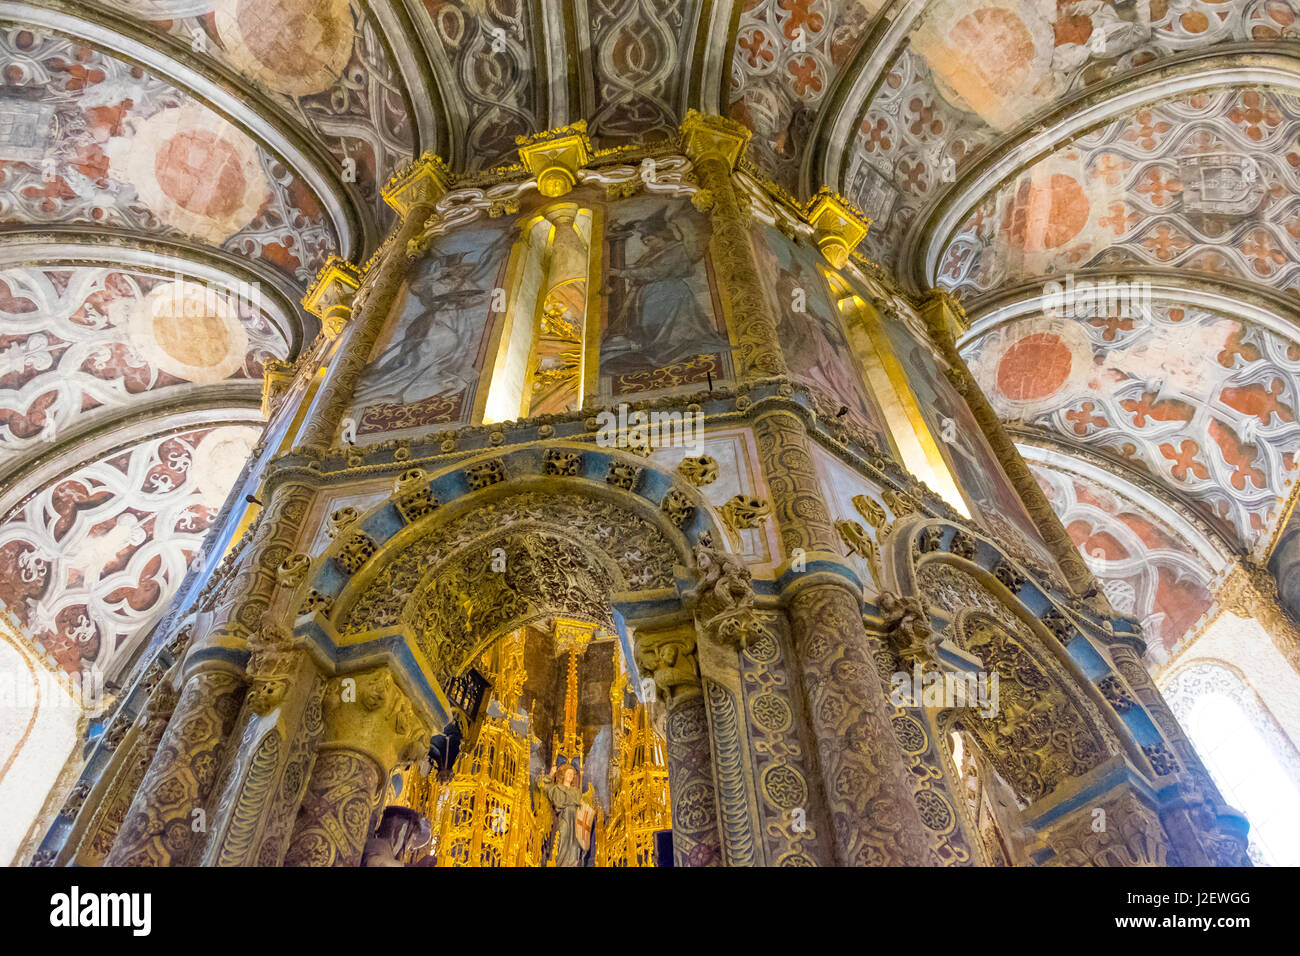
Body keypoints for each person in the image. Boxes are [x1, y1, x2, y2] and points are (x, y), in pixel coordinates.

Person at [539, 762, 584, 867]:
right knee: (563, 842)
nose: (570, 776)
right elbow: (545, 787)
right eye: (568, 773)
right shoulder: (557, 788)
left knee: (574, 846)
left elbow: (582, 807)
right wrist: (551, 773)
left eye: (572, 774)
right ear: (563, 775)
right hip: (564, 818)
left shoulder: (576, 792)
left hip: (575, 820)